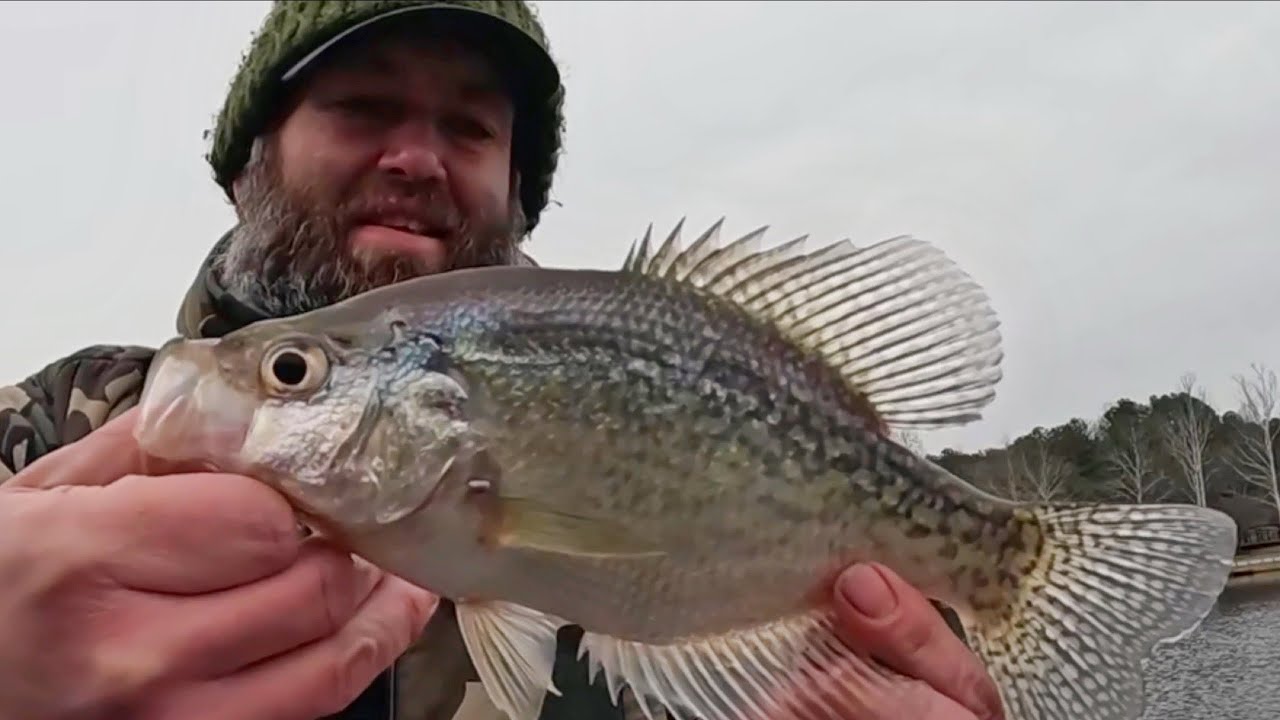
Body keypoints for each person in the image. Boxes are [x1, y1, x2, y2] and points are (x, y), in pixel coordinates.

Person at [0, 2, 1005, 719]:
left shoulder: (803, 616)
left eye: (469, 126)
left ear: (519, 195)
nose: (415, 158)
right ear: (246, 162)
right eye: (363, 106)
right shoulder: (45, 435)